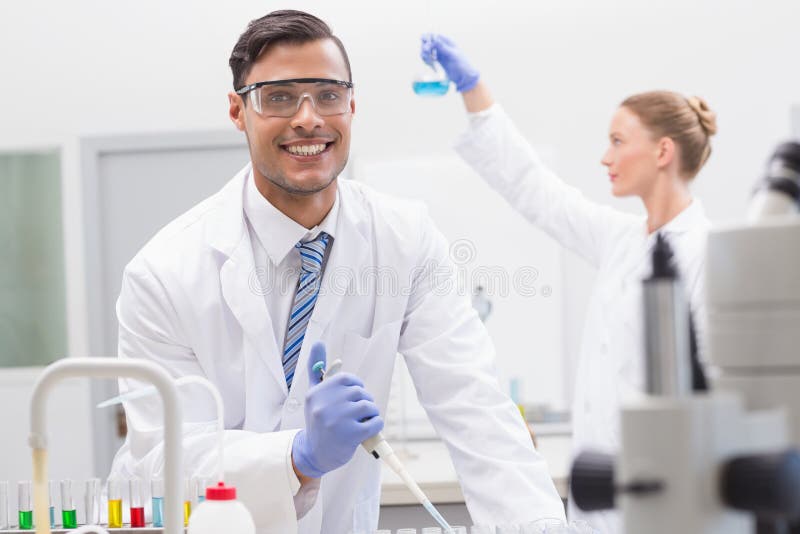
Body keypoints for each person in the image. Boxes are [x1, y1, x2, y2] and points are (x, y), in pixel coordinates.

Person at [108, 11, 566, 534]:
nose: (308, 118)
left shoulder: (404, 239)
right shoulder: (164, 271)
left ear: (352, 104)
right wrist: (297, 457)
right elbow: (165, 458)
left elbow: (476, 408)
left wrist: (541, 525)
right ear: (238, 111)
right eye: (278, 96)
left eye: (328, 94)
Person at [421, 34, 717, 533]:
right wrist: (474, 90)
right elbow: (536, 190)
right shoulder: (621, 239)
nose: (606, 157)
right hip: (600, 503)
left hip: (667, 508)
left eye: (619, 142)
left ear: (663, 151)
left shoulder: (706, 253)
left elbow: (710, 399)